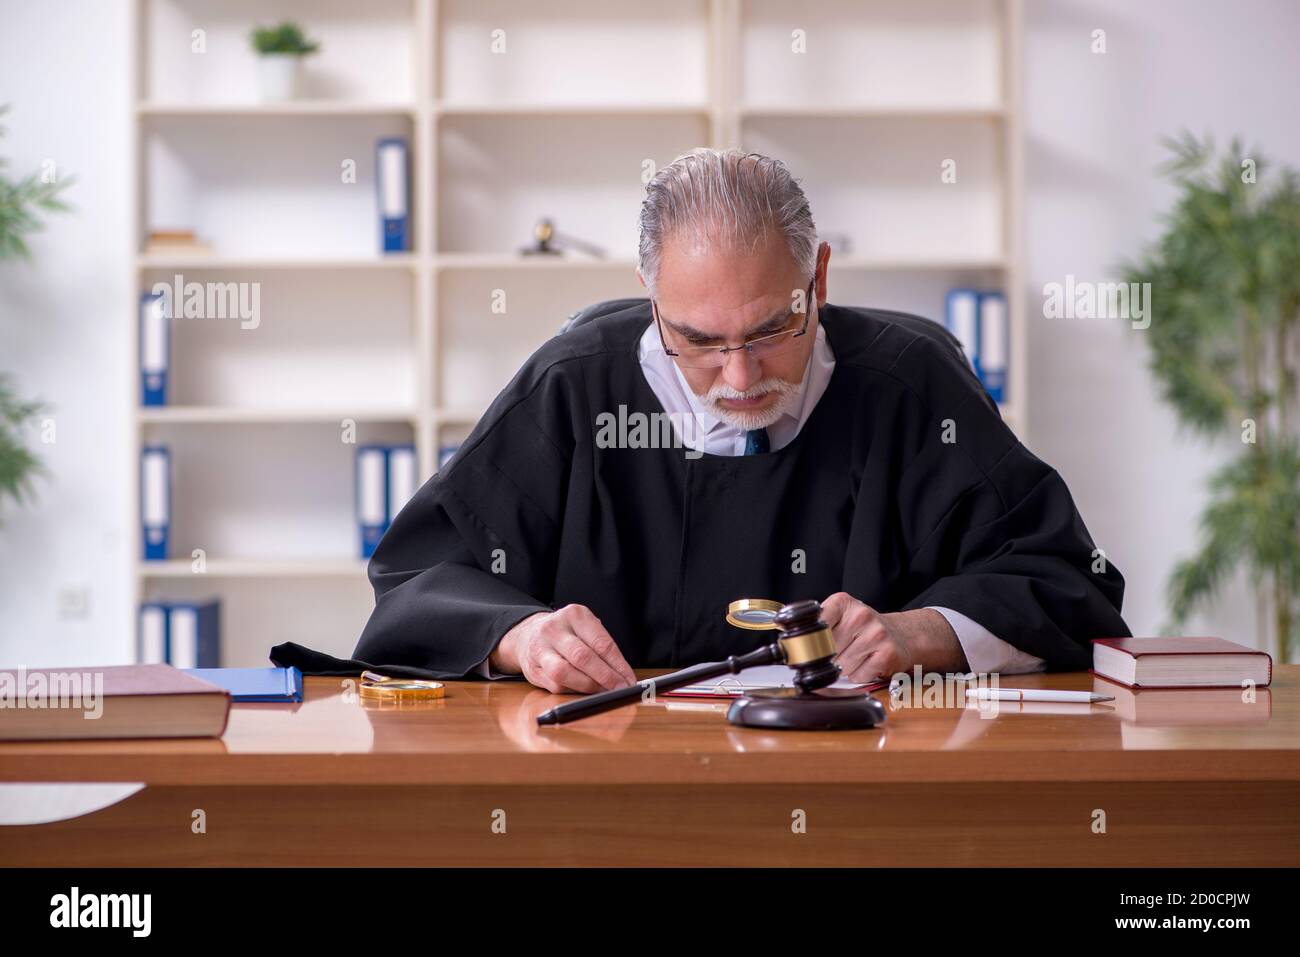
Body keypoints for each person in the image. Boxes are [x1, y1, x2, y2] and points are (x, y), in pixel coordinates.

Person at [354, 147, 1129, 693]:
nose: (739, 377)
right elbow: (419, 577)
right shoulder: (573, 385)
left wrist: (922, 632)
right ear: (652, 300)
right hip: (606, 786)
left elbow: (1068, 582)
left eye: (769, 331)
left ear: (818, 278)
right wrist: (518, 636)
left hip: (868, 797)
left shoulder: (910, 386)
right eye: (697, 340)